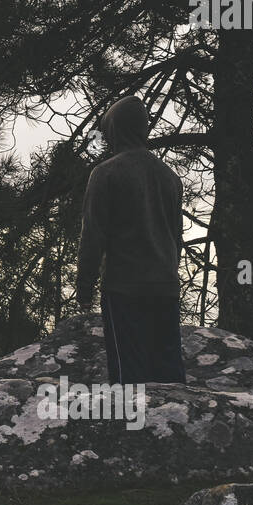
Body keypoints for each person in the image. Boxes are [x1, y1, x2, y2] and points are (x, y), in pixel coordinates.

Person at [75, 95, 186, 384]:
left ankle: (134, 429)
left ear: (114, 130)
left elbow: (93, 236)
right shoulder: (170, 177)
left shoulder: (105, 173)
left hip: (124, 290)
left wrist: (84, 290)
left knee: (129, 379)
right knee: (170, 376)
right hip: (166, 289)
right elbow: (177, 237)